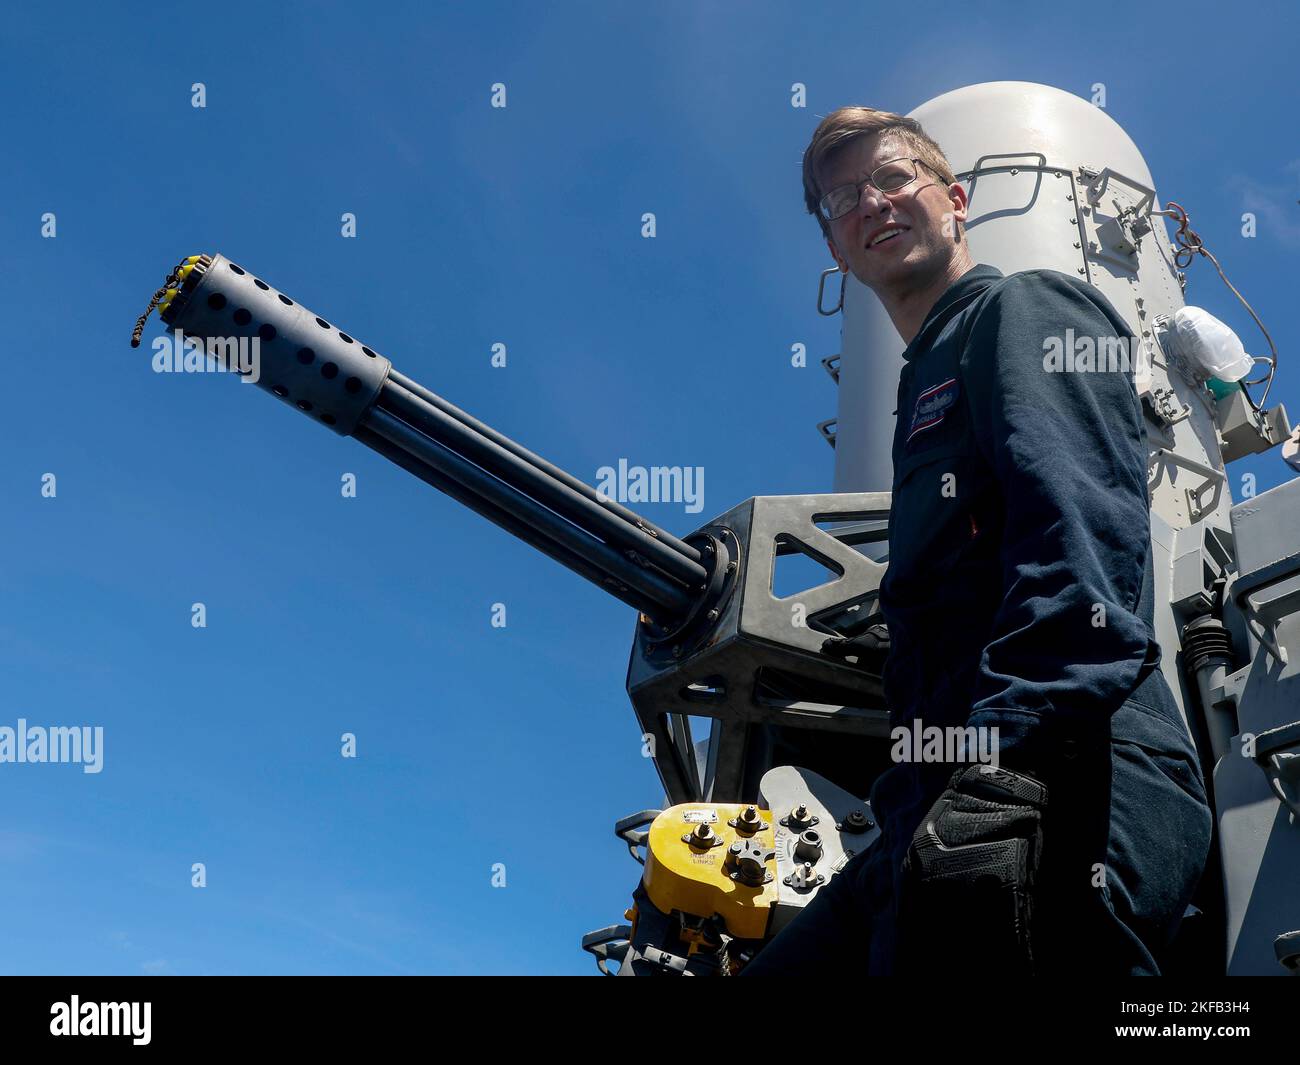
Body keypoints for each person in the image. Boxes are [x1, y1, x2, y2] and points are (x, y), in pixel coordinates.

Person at [742, 107, 1213, 976]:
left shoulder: (1024, 308)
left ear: (956, 201)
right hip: (933, 795)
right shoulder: (923, 390)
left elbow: (1080, 536)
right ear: (837, 251)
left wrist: (1005, 773)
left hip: (1065, 768)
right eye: (843, 198)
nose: (872, 202)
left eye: (892, 177)